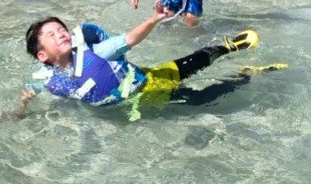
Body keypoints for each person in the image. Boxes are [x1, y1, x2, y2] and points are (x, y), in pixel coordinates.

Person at [16, 13, 258, 114]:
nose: (61, 34)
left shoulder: (98, 52)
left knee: (193, 69)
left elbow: (130, 39)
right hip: (141, 102)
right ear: (42, 56)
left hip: (151, 83)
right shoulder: (50, 78)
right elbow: (33, 90)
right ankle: (244, 75)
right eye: (51, 35)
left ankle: (230, 49)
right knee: (199, 98)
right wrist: (21, 110)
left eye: (62, 29)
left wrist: (152, 20)